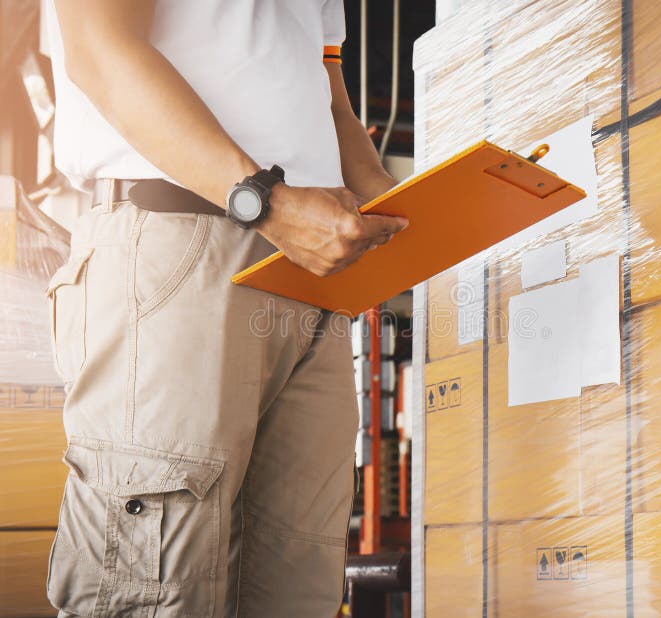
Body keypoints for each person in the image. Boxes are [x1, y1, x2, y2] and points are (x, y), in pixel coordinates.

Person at [43, 1, 408, 615]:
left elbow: (328, 96)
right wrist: (264, 202)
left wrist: (403, 210)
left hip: (309, 270)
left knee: (297, 578)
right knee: (153, 583)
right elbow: (98, 49)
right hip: (180, 236)